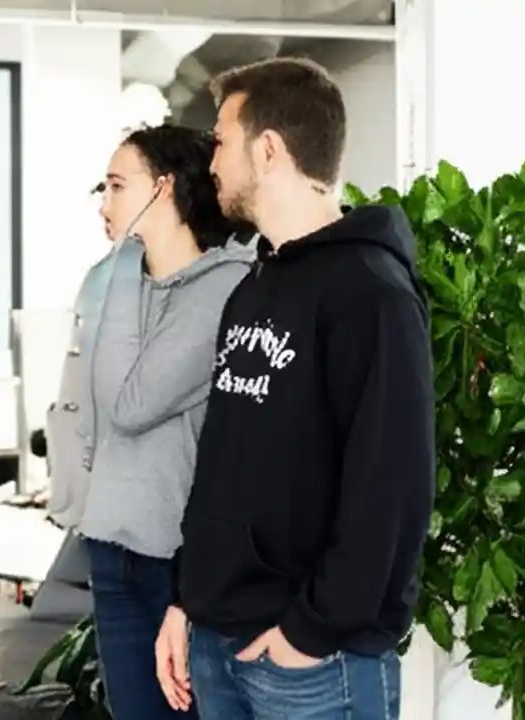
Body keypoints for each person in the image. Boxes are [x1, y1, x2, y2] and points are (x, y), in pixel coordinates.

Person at [154, 57, 435, 719]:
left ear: (269, 149)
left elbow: (390, 489)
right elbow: (223, 466)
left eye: (221, 141)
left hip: (315, 663)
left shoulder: (372, 293)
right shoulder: (253, 288)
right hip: (219, 639)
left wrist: (310, 633)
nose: (211, 161)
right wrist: (187, 597)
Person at [53, 125, 254, 719]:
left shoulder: (224, 286)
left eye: (118, 186)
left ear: (164, 188)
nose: (104, 204)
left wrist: (119, 264)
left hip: (178, 557)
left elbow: (132, 403)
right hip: (111, 541)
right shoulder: (119, 280)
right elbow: (84, 404)